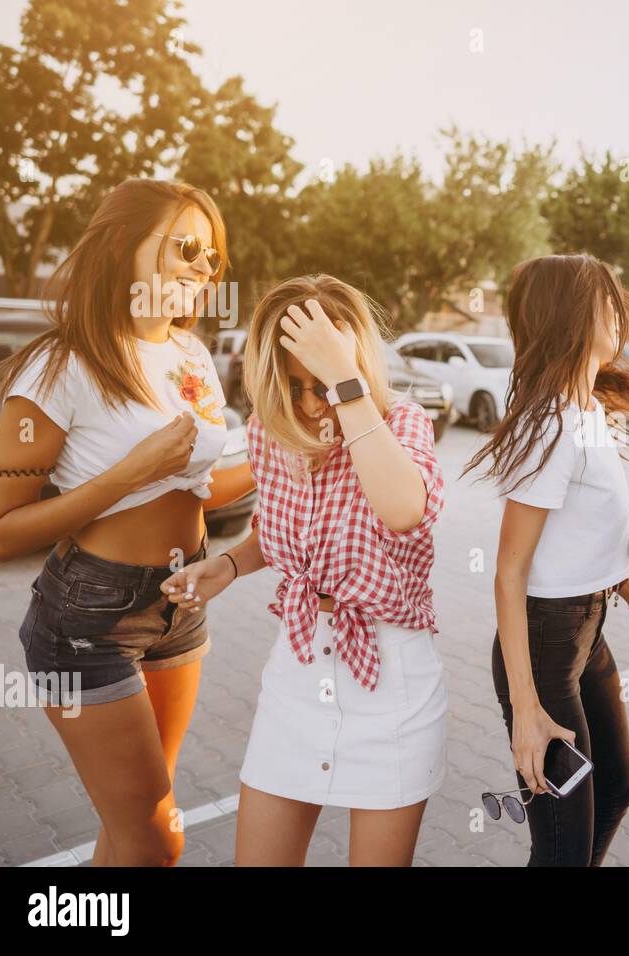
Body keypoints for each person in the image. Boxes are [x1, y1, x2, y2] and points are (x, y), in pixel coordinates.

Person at [0, 178, 249, 865]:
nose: (204, 269)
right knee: (159, 837)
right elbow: (0, 532)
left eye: (212, 257)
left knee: (127, 829)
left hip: (179, 603)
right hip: (89, 619)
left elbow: (197, 490)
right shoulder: (58, 365)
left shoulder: (191, 356)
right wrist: (130, 470)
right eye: (187, 247)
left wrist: (293, 460)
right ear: (124, 248)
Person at [162, 275, 447, 866]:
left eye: (323, 383)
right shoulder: (274, 431)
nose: (314, 405)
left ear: (356, 363)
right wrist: (230, 565)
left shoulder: (401, 424)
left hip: (390, 680)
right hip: (297, 672)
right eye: (294, 387)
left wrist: (347, 385)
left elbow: (402, 511)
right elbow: (284, 525)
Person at [463, 253, 629, 866]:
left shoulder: (582, 410)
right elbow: (510, 572)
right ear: (576, 316)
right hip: (543, 644)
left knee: (615, 789)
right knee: (561, 846)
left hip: (588, 628)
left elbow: (586, 536)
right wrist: (526, 712)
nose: (618, 312)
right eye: (607, 301)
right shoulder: (549, 423)